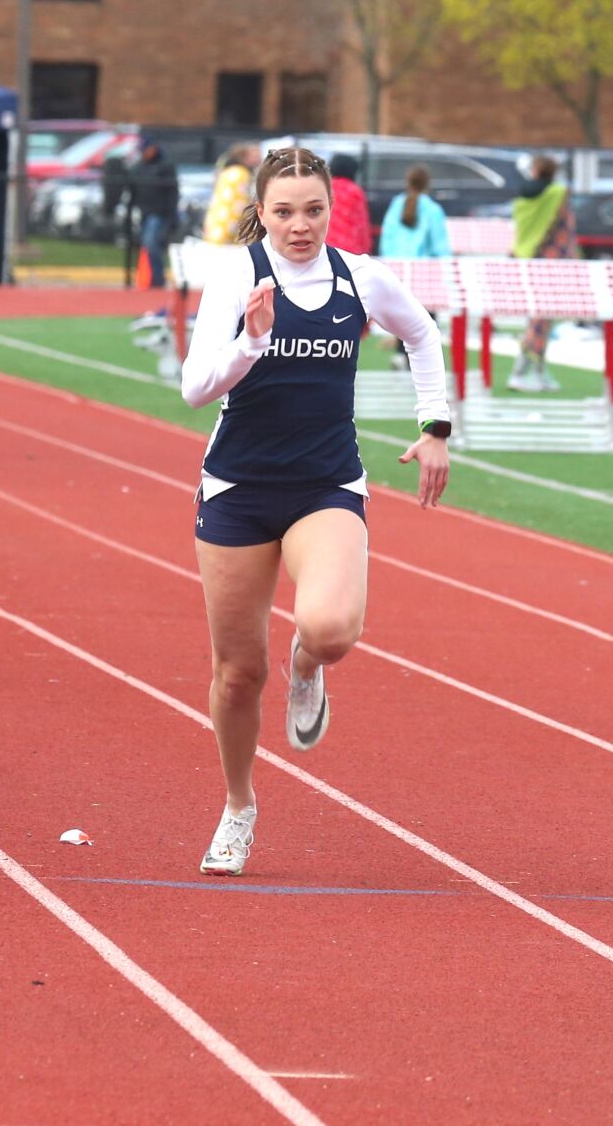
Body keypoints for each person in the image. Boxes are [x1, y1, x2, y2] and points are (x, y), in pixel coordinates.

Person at [179, 146, 452, 876]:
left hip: (325, 483)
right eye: (284, 211)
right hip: (237, 489)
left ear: (331, 210)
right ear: (260, 212)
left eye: (313, 210)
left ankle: (308, 663)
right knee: (238, 673)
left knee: (328, 628)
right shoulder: (237, 275)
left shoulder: (359, 276)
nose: (300, 226)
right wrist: (252, 342)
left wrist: (434, 427)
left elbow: (422, 333)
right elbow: (195, 387)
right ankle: (239, 805)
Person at [509, 154, 578, 392]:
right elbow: (565, 232)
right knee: (541, 318)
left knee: (539, 317)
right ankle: (521, 370)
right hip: (549, 260)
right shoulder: (558, 195)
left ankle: (537, 370)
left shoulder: (521, 197)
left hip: (526, 257)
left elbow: (520, 228)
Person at [125, 138, 180, 288]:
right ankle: (153, 277)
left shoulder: (165, 166)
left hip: (159, 213)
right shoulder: (139, 166)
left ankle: (158, 279)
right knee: (148, 245)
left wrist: (171, 214)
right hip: (144, 212)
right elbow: (132, 186)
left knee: (151, 244)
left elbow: (172, 192)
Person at [379, 165, 451, 259]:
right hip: (424, 270)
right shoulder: (433, 210)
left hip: (393, 267)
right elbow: (440, 248)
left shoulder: (395, 207)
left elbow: (386, 241)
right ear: (427, 184)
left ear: (408, 182)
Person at [202, 143, 260, 246]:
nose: (259, 158)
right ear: (244, 157)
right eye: (255, 156)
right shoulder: (241, 174)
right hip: (227, 231)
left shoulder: (227, 171)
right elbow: (239, 204)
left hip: (215, 227)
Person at [325, 154, 373, 256]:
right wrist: (366, 249)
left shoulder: (325, 188)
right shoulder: (355, 191)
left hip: (325, 246)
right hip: (350, 249)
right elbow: (361, 224)